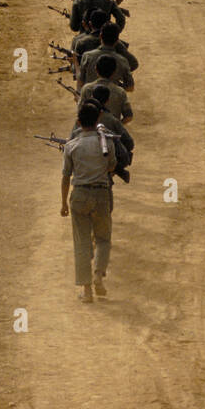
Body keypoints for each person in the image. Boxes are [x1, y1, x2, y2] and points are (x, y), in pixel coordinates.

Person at [61, 100, 116, 301]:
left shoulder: (71, 145)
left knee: (82, 243)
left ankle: (86, 291)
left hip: (80, 196)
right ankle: (98, 274)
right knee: (103, 238)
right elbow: (112, 166)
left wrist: (63, 203)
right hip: (101, 194)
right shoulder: (106, 142)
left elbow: (66, 176)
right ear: (98, 119)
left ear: (78, 122)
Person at [78, 21, 138, 90]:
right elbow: (130, 87)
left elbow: (81, 82)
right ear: (117, 41)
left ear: (100, 36)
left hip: (90, 97)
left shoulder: (87, 56)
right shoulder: (122, 61)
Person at [79, 54, 133, 123]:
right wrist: (117, 126)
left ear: (96, 69)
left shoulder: (86, 89)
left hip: (91, 130)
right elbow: (129, 116)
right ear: (114, 72)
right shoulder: (120, 92)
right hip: (112, 132)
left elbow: (80, 112)